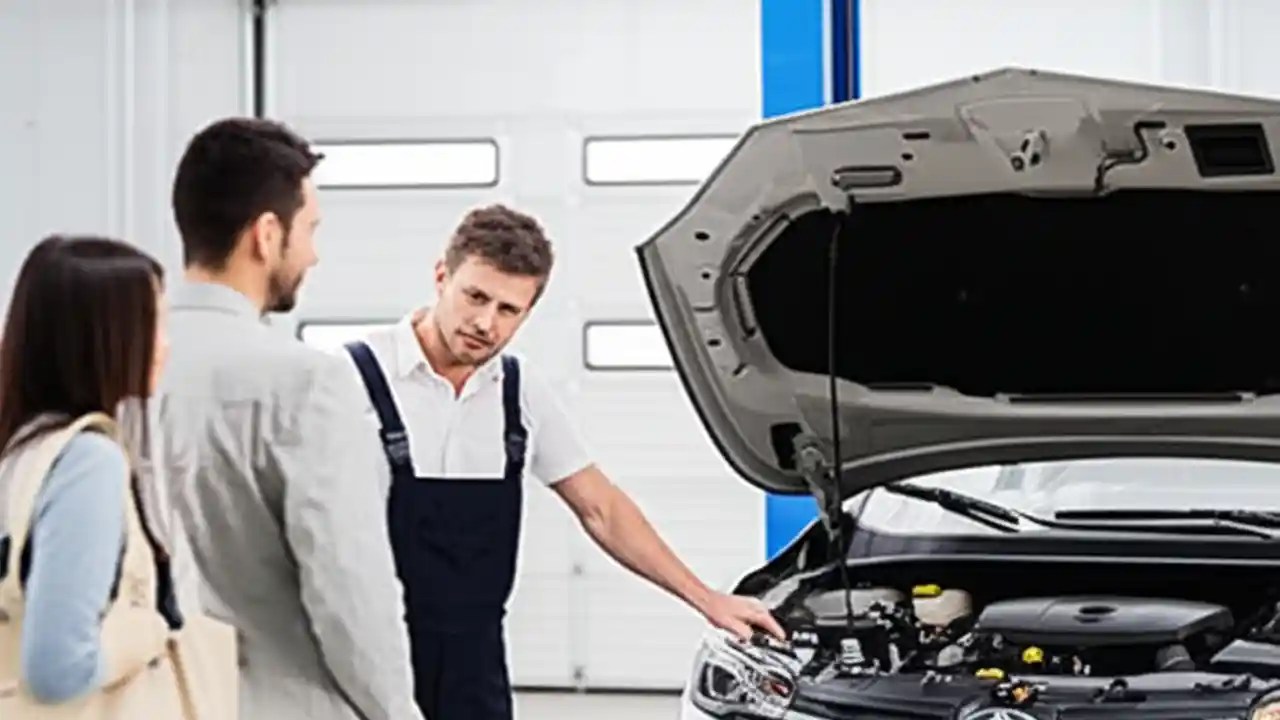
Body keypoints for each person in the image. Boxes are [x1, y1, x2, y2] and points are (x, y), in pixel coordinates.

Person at [343, 204, 787, 720]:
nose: (486, 323)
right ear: (442, 276)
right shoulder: (349, 379)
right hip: (367, 670)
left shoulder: (519, 392)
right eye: (476, 297)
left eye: (509, 310)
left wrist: (707, 599)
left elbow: (603, 509)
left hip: (475, 676)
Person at [155, 117, 422, 720]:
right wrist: (397, 711)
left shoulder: (114, 370)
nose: (314, 254)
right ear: (267, 234)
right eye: (310, 229)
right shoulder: (307, 383)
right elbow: (349, 590)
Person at [0, 236, 184, 709]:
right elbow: (57, 669)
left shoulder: (22, 453)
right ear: (106, 336)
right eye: (155, 324)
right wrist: (148, 630)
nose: (165, 346)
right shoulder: (87, 463)